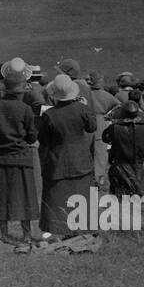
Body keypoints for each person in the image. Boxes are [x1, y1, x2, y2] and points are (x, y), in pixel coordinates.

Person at [0, 59, 40, 243]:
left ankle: (4, 233)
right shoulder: (25, 109)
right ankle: (27, 234)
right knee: (25, 198)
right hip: (20, 158)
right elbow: (31, 137)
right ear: (21, 92)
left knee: (0, 196)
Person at [38, 73, 98, 236]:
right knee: (81, 194)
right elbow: (92, 127)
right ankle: (81, 228)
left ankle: (56, 229)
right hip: (80, 158)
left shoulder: (49, 115)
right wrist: (86, 108)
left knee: (56, 196)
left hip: (57, 159)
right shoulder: (81, 109)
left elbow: (42, 139)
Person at [104, 101, 144, 196]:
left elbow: (105, 138)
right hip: (140, 163)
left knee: (122, 192)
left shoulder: (115, 128)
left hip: (121, 163)